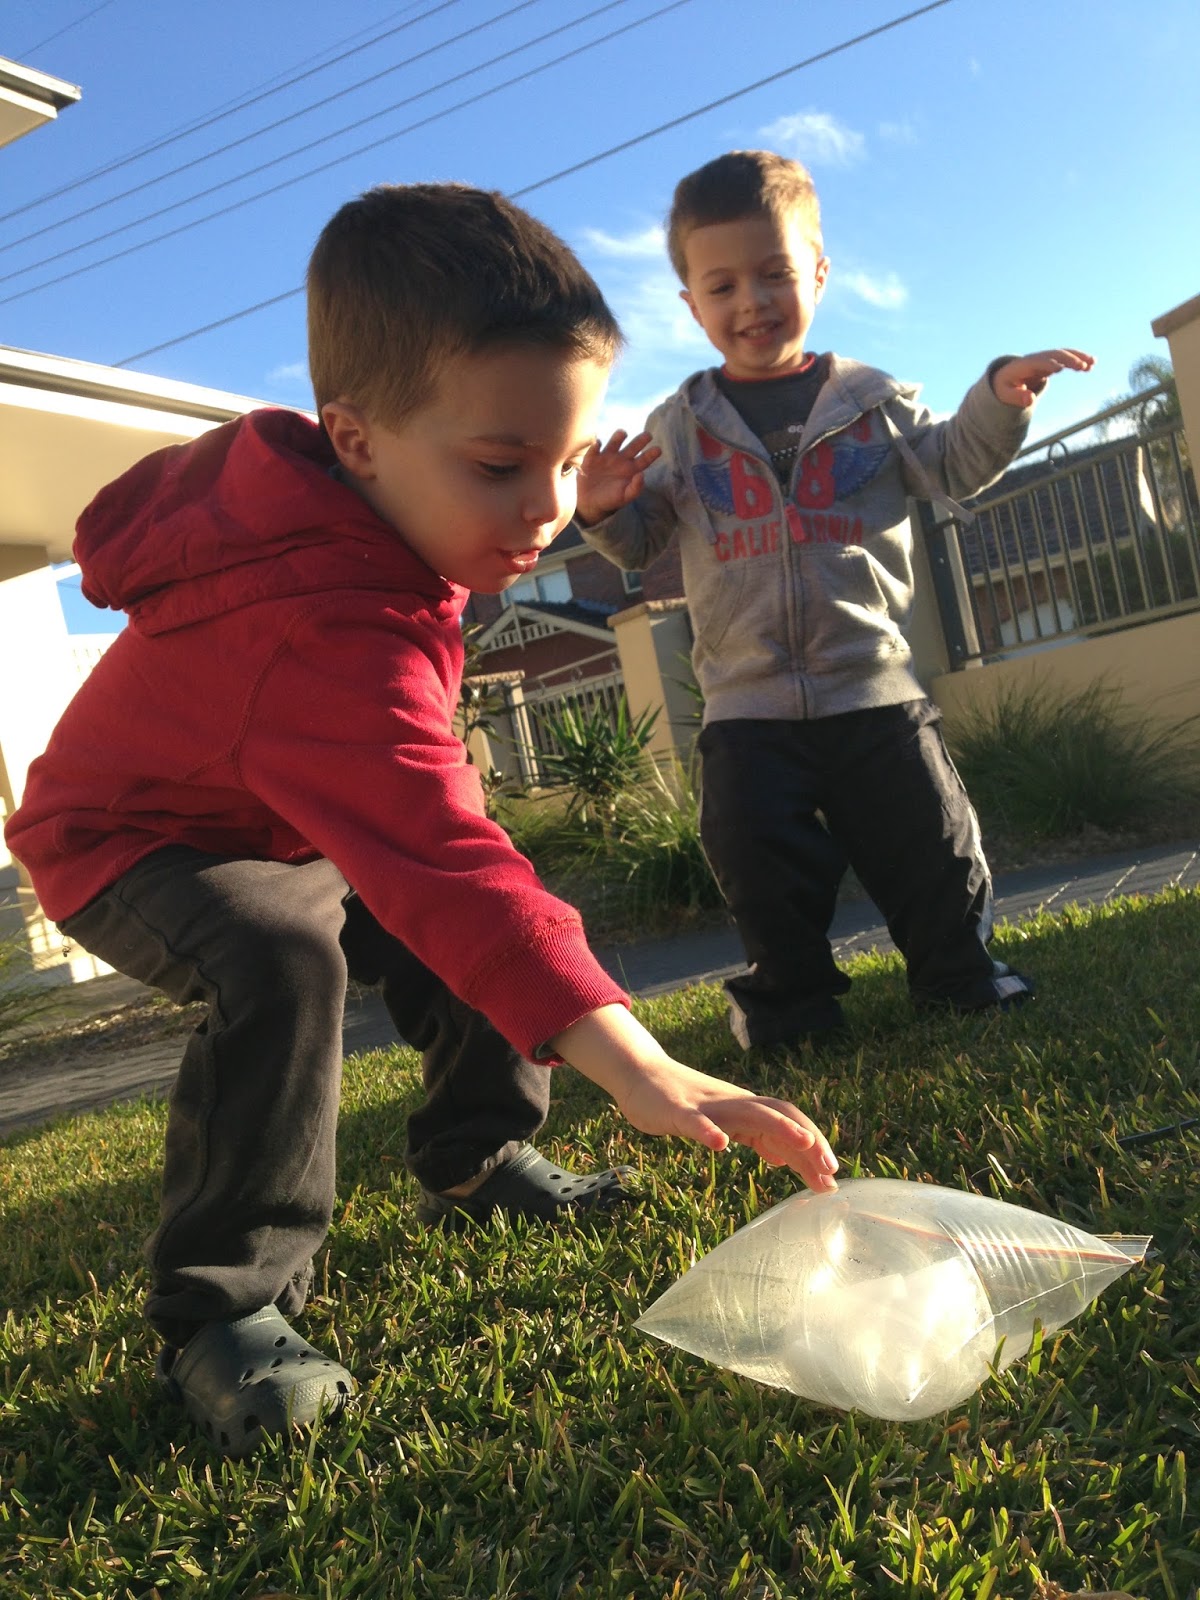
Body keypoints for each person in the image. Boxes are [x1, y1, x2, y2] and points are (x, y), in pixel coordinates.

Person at [3, 182, 838, 1457]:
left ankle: (474, 1158)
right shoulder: (316, 614)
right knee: (285, 954)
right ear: (355, 439)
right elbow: (444, 862)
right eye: (501, 465)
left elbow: (438, 852)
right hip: (133, 838)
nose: (547, 503)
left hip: (284, 824)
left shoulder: (384, 540)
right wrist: (646, 1068)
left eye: (566, 459)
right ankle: (221, 1309)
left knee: (449, 916)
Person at [575, 149, 1093, 1054]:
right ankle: (789, 1009)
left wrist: (999, 398)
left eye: (775, 274)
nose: (752, 302)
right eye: (723, 286)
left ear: (817, 272)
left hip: (873, 689)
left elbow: (952, 462)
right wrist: (602, 510)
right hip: (746, 710)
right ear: (691, 306)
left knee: (930, 847)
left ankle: (960, 975)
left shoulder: (871, 403)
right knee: (761, 874)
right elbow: (644, 539)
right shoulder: (680, 427)